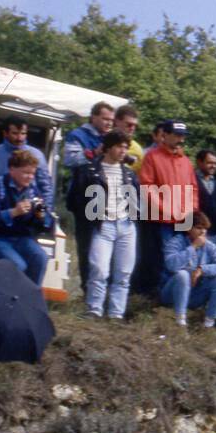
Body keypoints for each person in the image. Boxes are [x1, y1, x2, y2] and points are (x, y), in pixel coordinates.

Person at [70, 129, 140, 320]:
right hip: (102, 224)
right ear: (108, 147)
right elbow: (75, 199)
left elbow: (136, 198)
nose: (123, 151)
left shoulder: (129, 173)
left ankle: (116, 313)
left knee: (124, 272)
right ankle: (94, 309)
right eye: (119, 146)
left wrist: (134, 214)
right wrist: (89, 218)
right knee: (99, 268)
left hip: (126, 224)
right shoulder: (89, 170)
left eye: (126, 147)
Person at [0, 148, 53, 285]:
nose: (30, 177)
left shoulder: (33, 191)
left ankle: (30, 298)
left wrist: (40, 216)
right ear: (12, 169)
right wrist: (13, 212)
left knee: (40, 258)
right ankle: (10, 301)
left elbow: (43, 225)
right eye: (26, 173)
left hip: (22, 237)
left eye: (33, 173)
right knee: (18, 265)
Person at [137, 119, 199, 295]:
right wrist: (166, 208)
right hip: (161, 218)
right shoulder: (152, 156)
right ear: (164, 135)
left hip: (183, 218)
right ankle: (162, 296)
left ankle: (177, 295)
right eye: (178, 135)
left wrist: (192, 211)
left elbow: (193, 188)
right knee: (166, 258)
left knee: (184, 256)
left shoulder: (186, 161)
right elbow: (147, 185)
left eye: (183, 136)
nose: (181, 139)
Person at [161, 216, 216, 330]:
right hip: (172, 295)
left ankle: (209, 324)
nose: (203, 232)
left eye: (205, 229)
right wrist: (193, 247)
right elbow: (171, 265)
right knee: (183, 275)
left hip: (195, 295)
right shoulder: (176, 241)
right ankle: (180, 323)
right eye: (199, 228)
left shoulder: (209, 245)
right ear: (188, 229)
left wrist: (202, 269)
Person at [0, 117, 56, 213]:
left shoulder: (37, 155)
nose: (19, 138)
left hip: (28, 213)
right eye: (15, 133)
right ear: (5, 133)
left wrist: (46, 214)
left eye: (23, 133)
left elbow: (46, 186)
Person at [62, 101, 115, 170]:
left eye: (111, 120)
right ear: (93, 118)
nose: (110, 123)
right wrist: (95, 152)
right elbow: (69, 160)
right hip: (83, 180)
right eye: (106, 119)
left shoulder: (111, 137)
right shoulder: (77, 135)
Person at [194, 150, 216, 247]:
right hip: (195, 232)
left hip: (214, 233)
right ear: (199, 162)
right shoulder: (191, 180)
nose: (213, 166)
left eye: (215, 163)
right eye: (210, 163)